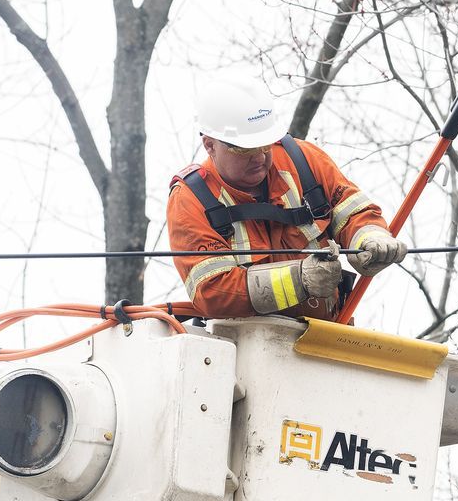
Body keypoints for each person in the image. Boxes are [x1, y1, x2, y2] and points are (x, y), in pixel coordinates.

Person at [167, 75, 407, 320]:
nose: (260, 157)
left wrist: (370, 237)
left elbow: (351, 211)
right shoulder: (191, 199)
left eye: (265, 144)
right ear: (210, 145)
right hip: (245, 346)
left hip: (325, 334)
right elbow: (213, 292)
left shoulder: (303, 162)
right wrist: (299, 280)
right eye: (246, 149)